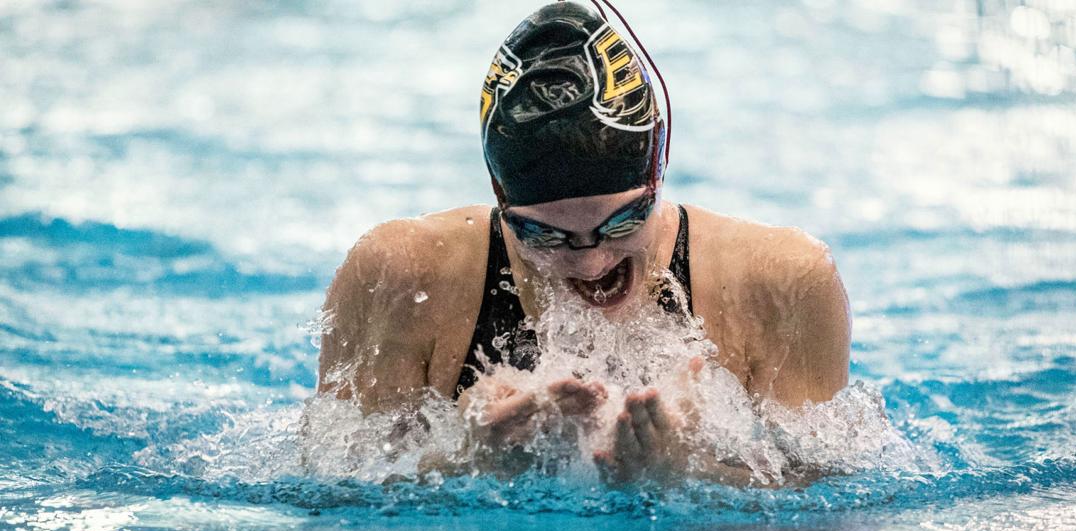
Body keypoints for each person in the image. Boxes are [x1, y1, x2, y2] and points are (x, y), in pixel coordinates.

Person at [315, 1, 850, 484]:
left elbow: (831, 526)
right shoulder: (402, 274)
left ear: (657, 173)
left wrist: (691, 474)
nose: (592, 262)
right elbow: (325, 495)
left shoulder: (783, 281)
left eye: (622, 222)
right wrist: (462, 462)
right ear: (499, 195)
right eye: (544, 234)